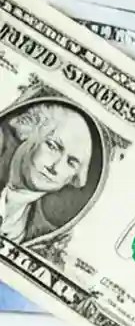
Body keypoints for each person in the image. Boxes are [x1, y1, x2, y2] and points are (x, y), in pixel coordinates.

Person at [0, 102, 93, 245]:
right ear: (29, 133)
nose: (55, 167)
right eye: (53, 146)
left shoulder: (45, 235)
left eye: (71, 163)